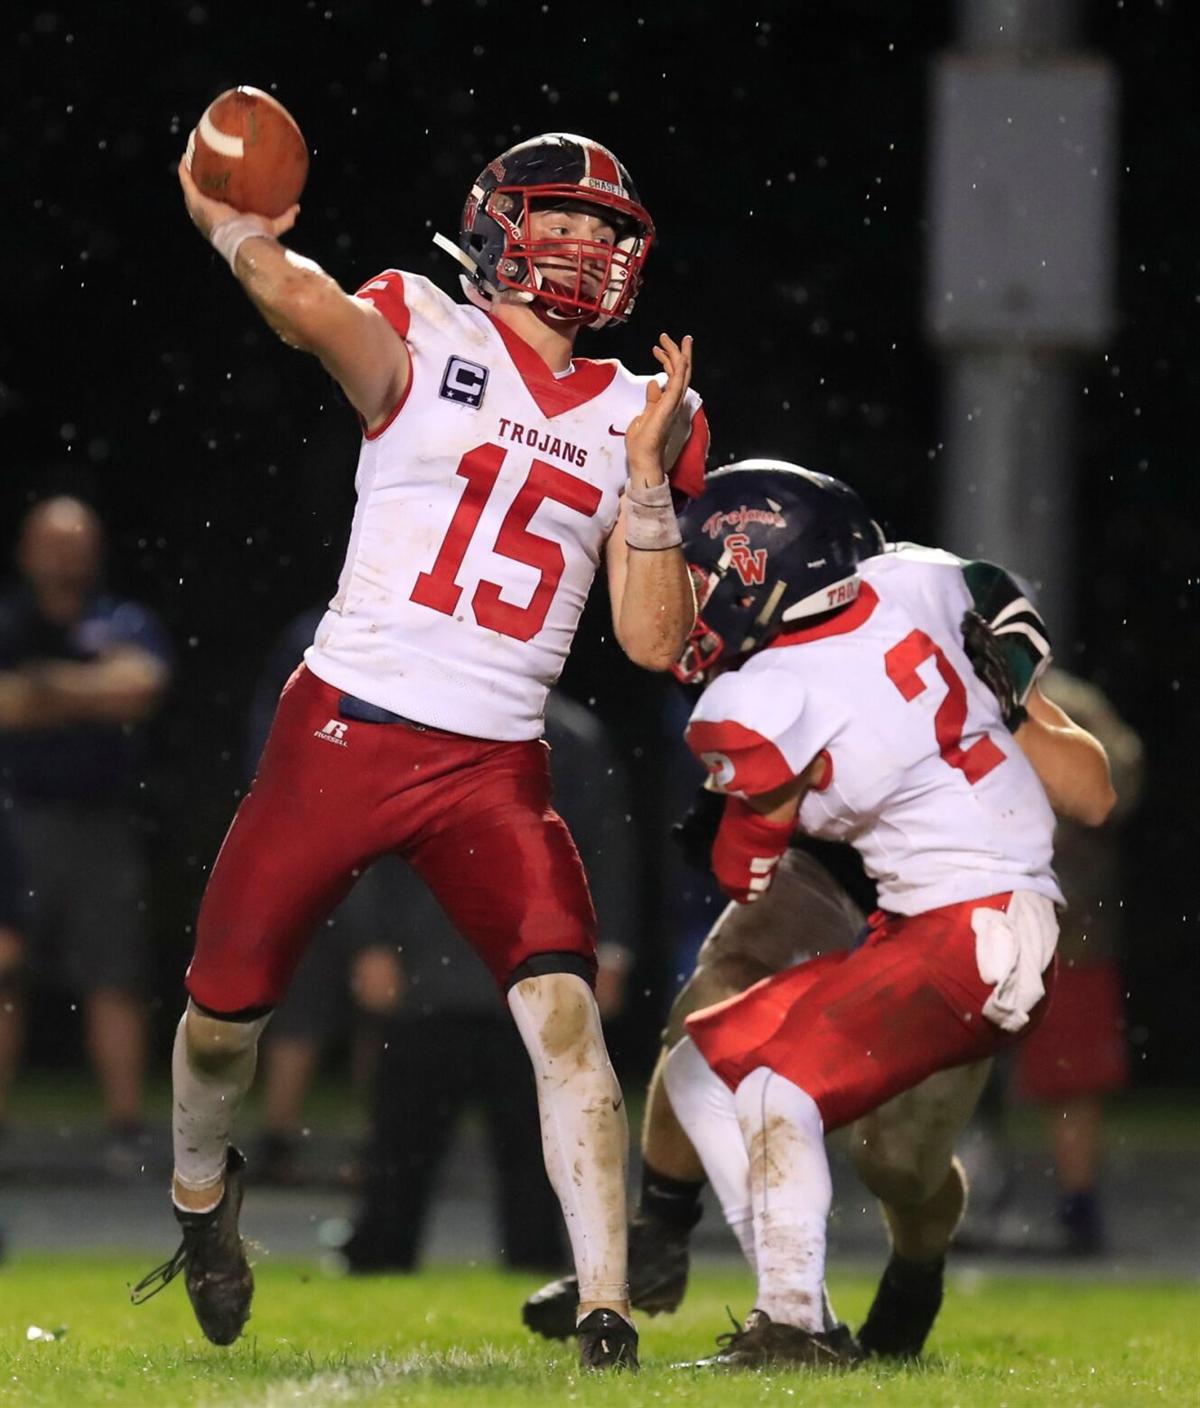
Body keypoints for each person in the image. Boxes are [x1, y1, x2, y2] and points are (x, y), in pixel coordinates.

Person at [132, 127, 707, 1372]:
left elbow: (653, 641)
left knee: (564, 1008)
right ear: (500, 225)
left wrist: (652, 485)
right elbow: (303, 306)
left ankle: (605, 1305)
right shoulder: (424, 322)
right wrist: (232, 225)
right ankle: (198, 1196)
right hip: (346, 722)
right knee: (224, 1014)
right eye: (566, 220)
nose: (593, 246)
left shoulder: (639, 409)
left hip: (496, 757)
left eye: (611, 231)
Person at [521, 461, 1114, 1360]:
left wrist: (1006, 699)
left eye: (706, 571)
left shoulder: (928, 602)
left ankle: (909, 1277)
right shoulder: (750, 653)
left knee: (896, 1157)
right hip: (830, 860)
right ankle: (673, 1244)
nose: (689, 595)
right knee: (705, 1031)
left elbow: (1091, 792)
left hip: (959, 896)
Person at [342, 688, 637, 1275]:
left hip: (530, 966)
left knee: (535, 1145)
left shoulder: (571, 736)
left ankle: (543, 1270)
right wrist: (369, 941)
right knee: (402, 1137)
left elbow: (605, 846)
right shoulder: (415, 722)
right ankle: (377, 1255)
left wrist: (613, 951)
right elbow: (369, 837)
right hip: (428, 964)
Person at [0, 497, 171, 1167]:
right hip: (16, 820)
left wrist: (48, 691)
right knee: (5, 973)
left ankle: (124, 1129)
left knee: (116, 976)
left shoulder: (121, 618)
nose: (65, 556)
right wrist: (88, 696)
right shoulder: (11, 619)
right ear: (26, 548)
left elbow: (144, 685)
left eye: (77, 542)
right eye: (51, 541)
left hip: (102, 823)